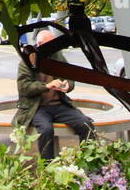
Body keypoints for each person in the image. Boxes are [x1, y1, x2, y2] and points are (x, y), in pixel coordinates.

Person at [14, 29, 94, 160]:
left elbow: (70, 77)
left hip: (59, 105)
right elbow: (23, 87)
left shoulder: (58, 56)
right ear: (40, 45)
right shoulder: (27, 60)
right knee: (46, 130)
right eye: (50, 45)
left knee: (86, 124)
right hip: (37, 107)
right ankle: (47, 169)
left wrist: (68, 85)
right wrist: (46, 86)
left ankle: (89, 164)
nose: (53, 48)